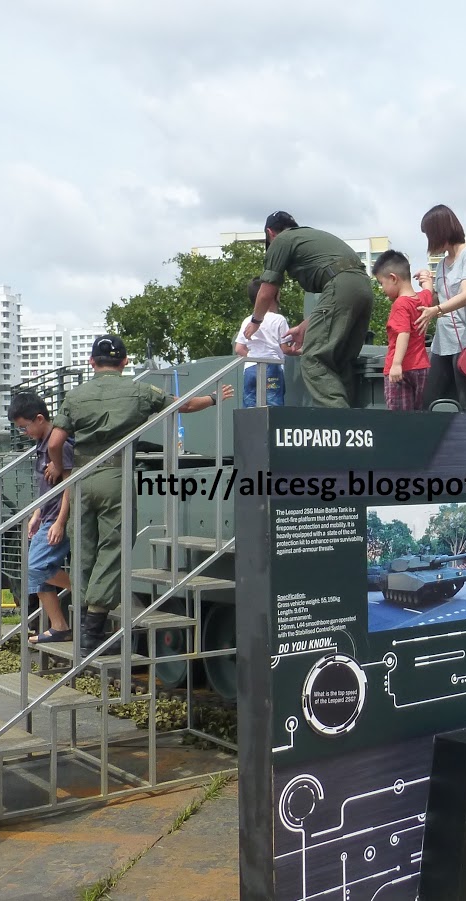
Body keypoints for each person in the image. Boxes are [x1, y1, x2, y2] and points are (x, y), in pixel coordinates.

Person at [47, 335, 232, 655]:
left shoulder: (75, 396)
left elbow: (54, 442)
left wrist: (56, 466)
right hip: (115, 475)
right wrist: (214, 399)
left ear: (92, 362)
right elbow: (183, 405)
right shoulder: (139, 390)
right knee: (114, 548)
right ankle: (93, 633)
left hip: (80, 476)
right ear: (125, 362)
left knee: (83, 550)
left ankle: (83, 626)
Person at [243, 211, 374, 407]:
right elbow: (333, 292)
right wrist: (307, 325)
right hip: (363, 287)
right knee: (340, 360)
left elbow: (267, 290)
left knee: (314, 358)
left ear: (270, 233)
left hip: (340, 285)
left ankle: (336, 424)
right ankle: (351, 423)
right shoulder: (309, 237)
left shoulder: (281, 240)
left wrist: (256, 321)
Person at [8, 390, 75, 643]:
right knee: (35, 570)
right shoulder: (41, 446)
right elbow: (44, 487)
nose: (24, 433)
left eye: (25, 427)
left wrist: (59, 521)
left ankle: (84, 593)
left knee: (36, 567)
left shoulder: (60, 446)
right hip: (47, 515)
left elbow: (70, 485)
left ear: (39, 418)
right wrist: (37, 512)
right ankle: (59, 625)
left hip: (57, 517)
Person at [415, 204, 466, 413]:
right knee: (428, 401)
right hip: (443, 344)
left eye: (430, 234)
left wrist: (436, 310)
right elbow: (436, 300)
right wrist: (426, 285)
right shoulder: (441, 265)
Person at [374, 250, 434, 411]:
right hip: (421, 368)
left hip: (401, 370)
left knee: (400, 420)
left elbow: (403, 333)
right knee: (419, 414)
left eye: (381, 283)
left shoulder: (400, 304)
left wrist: (396, 364)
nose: (382, 289)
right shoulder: (422, 299)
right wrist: (425, 276)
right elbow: (429, 290)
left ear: (393, 278)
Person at [235, 277, 290, 407]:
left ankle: (248, 428)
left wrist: (254, 357)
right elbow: (285, 349)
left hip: (250, 369)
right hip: (272, 367)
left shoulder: (247, 320)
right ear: (272, 296)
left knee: (249, 406)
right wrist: (301, 350)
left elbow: (239, 348)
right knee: (273, 405)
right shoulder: (279, 319)